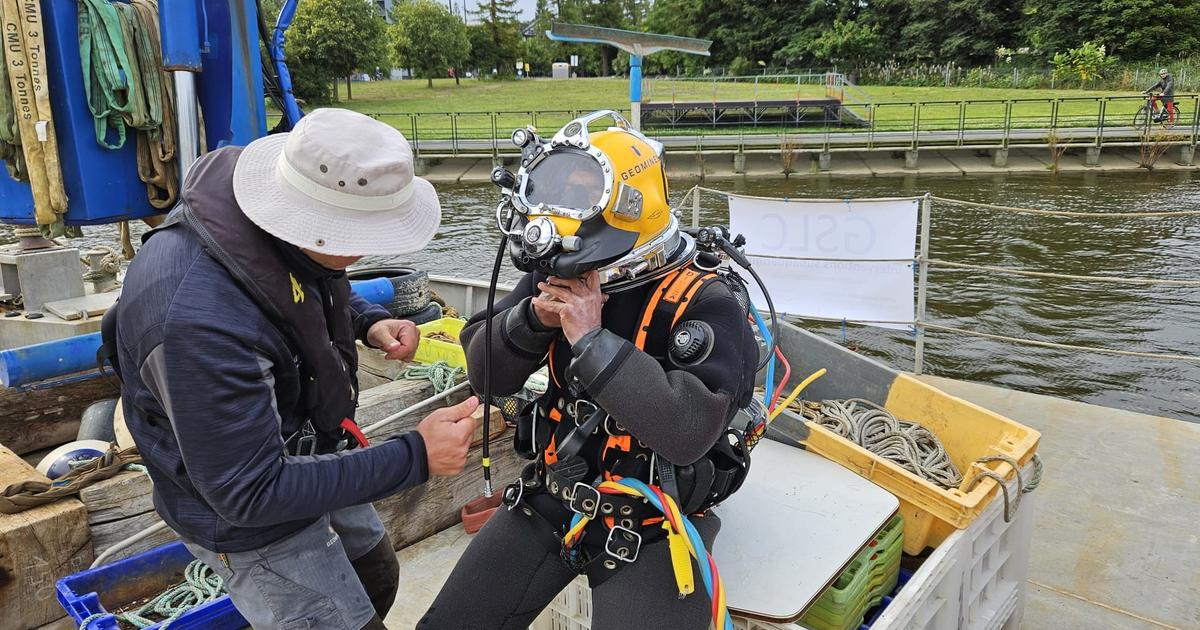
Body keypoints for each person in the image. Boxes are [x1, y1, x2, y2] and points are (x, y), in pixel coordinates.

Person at [108, 108, 479, 630]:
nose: (371, 249)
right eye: (368, 235)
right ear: (323, 230)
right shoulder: (199, 321)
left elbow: (300, 289)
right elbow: (249, 492)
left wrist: (367, 321)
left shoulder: (271, 225)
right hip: (245, 509)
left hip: (305, 444)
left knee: (376, 573)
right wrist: (416, 454)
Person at [418, 113, 759, 629]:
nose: (562, 211)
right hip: (552, 494)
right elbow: (487, 375)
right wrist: (533, 316)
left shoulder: (706, 300)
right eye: (556, 191)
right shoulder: (554, 270)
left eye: (581, 193)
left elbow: (687, 432)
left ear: (628, 204)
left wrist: (591, 339)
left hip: (648, 521)